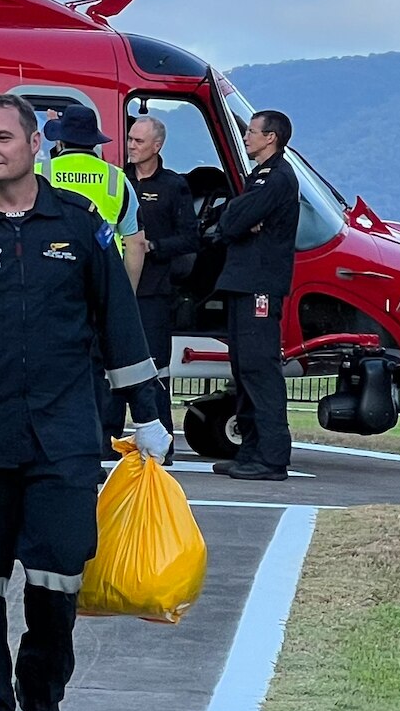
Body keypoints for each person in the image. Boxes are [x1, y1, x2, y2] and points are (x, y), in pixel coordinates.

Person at [0, 94, 161, 711]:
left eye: (1, 138)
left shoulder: (79, 226)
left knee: (55, 584)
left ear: (34, 146)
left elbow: (119, 322)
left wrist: (151, 414)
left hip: (62, 438)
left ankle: (42, 697)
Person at [213, 108, 299, 482]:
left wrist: (239, 219)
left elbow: (231, 222)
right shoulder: (258, 177)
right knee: (242, 369)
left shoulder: (277, 178)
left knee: (259, 368)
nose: (246, 137)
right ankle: (249, 450)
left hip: (259, 285)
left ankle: (272, 456)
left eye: (251, 132)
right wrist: (239, 218)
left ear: (271, 138)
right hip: (242, 281)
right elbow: (234, 220)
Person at [122, 114, 199, 440]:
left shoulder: (173, 185)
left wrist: (152, 246)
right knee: (110, 367)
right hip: (120, 287)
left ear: (157, 146)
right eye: (130, 140)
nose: (131, 146)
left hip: (154, 290)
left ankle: (160, 439)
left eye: (138, 141)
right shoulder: (118, 179)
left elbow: (190, 238)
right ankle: (104, 442)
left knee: (155, 368)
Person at [40, 102, 143, 290]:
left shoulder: (39, 173)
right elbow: (136, 243)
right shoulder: (117, 179)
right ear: (95, 142)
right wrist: (127, 296)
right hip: (104, 276)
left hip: (50, 276)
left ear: (61, 140)